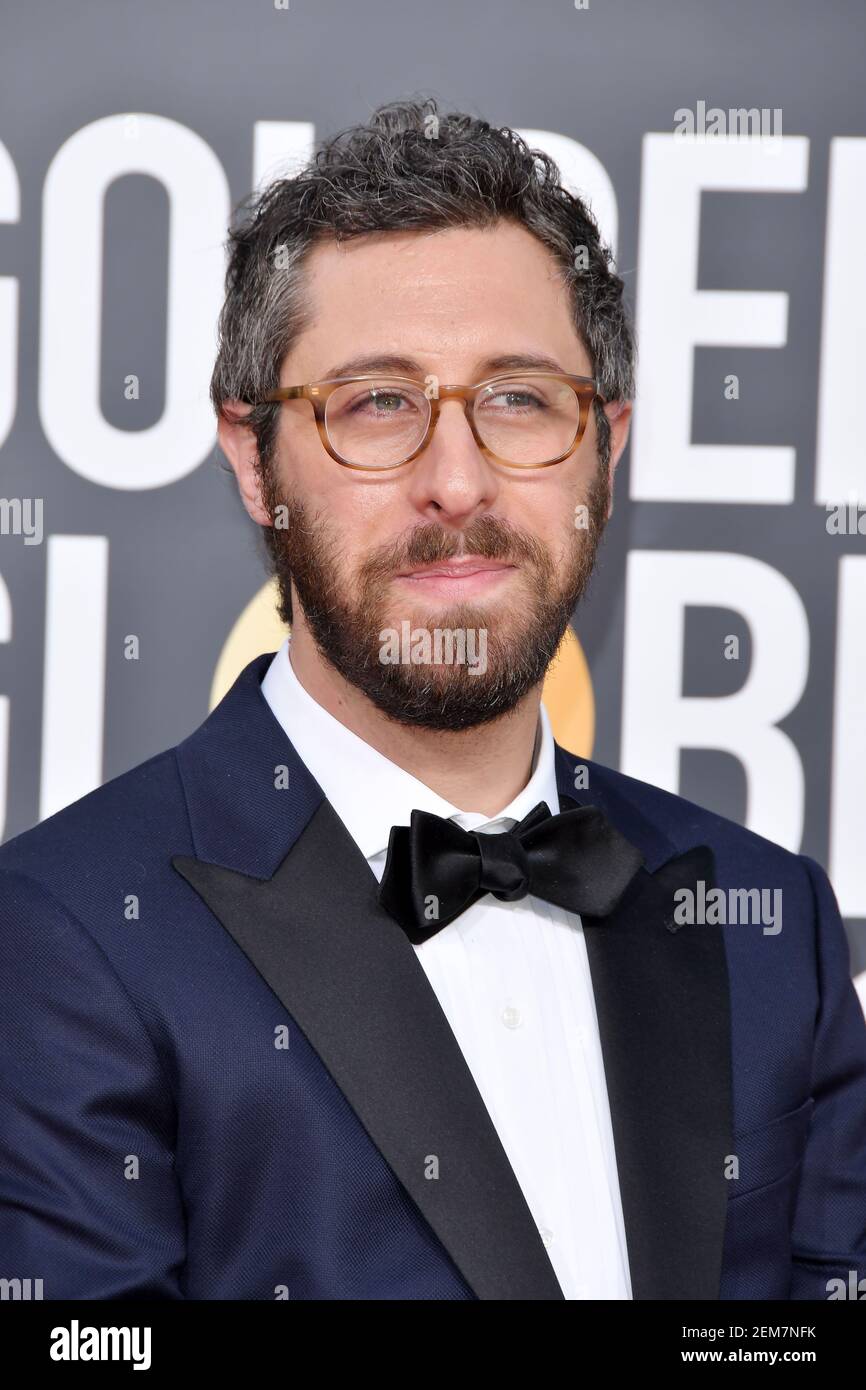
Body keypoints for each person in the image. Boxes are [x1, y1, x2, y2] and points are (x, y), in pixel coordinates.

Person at [1, 98, 864, 1301]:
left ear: (601, 448)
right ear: (255, 462)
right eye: (374, 404)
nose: (454, 483)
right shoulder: (60, 936)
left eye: (517, 399)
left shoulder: (773, 922)